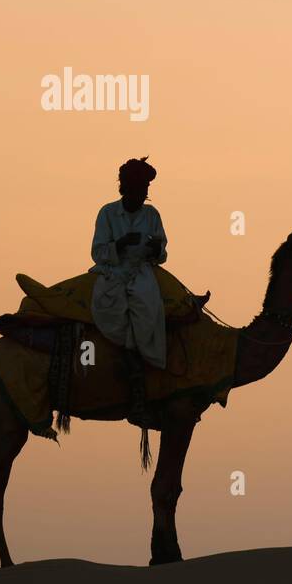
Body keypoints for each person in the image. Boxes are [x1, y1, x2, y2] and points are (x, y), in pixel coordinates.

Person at [90, 158, 168, 427]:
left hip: (143, 274)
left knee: (149, 307)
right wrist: (120, 245)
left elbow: (163, 253)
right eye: (140, 187)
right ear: (126, 187)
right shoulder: (108, 214)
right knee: (109, 307)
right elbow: (98, 252)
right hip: (113, 274)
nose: (144, 193)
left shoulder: (152, 215)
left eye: (146, 187)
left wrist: (154, 248)